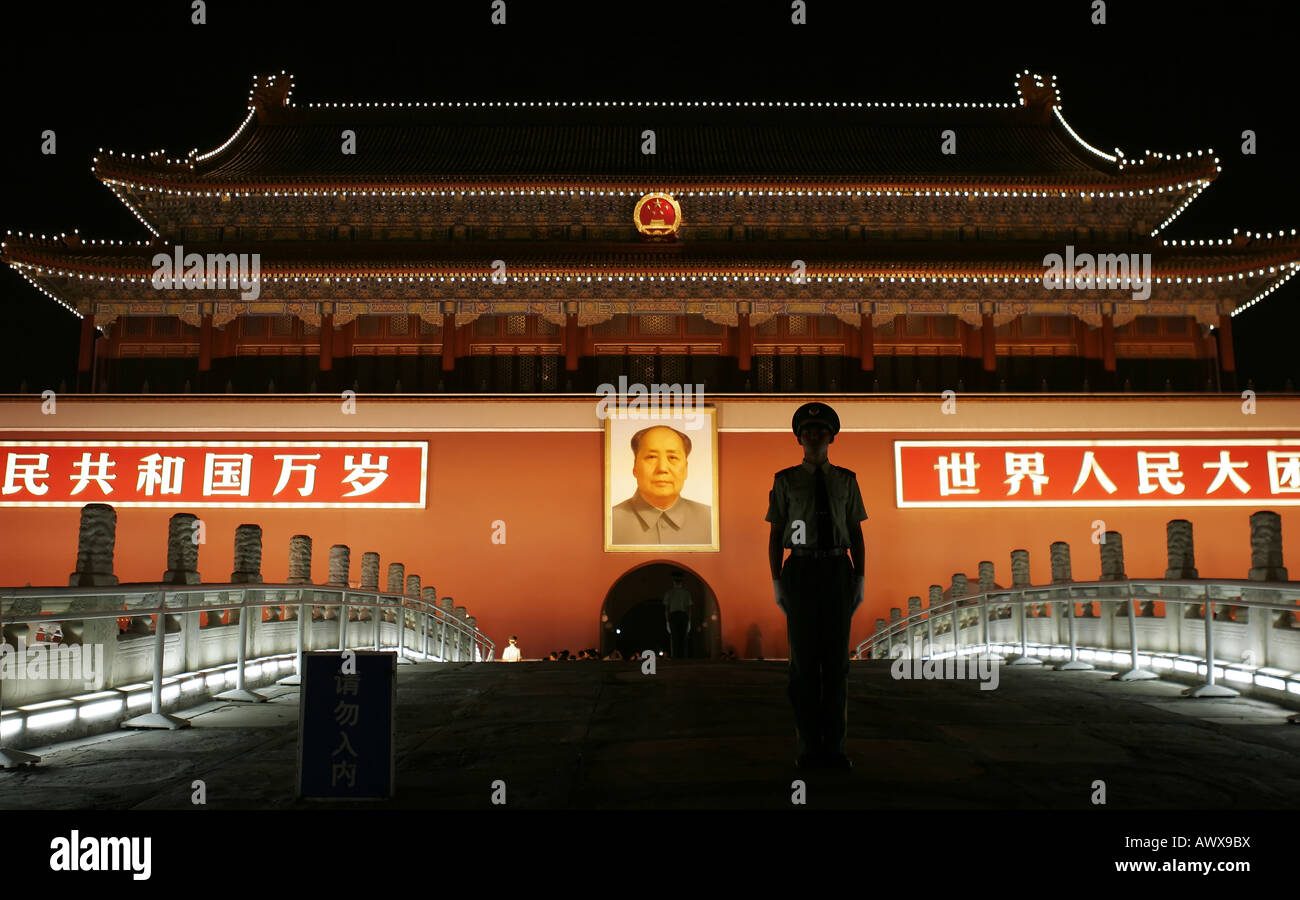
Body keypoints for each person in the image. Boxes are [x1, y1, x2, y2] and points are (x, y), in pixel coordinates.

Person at [766, 401, 867, 770]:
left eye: (821, 430)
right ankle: (808, 747)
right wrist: (777, 581)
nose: (813, 435)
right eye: (807, 431)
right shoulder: (785, 481)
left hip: (838, 567)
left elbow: (855, 530)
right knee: (804, 666)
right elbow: (777, 535)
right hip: (802, 570)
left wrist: (860, 577)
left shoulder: (847, 480)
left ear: (831, 437)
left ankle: (835, 749)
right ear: (798, 438)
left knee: (836, 664)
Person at [610, 425, 713, 544]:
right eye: (651, 457)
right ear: (635, 467)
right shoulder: (609, 522)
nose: (662, 468)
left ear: (685, 469)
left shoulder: (711, 520)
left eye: (673, 457)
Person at [662, 570, 694, 658]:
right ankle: (683, 657)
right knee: (683, 638)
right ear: (681, 582)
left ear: (673, 582)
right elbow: (689, 609)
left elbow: (667, 609)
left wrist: (667, 621)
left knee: (674, 638)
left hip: (673, 616)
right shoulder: (686, 593)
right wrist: (689, 621)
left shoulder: (669, 593)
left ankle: (675, 657)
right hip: (683, 616)